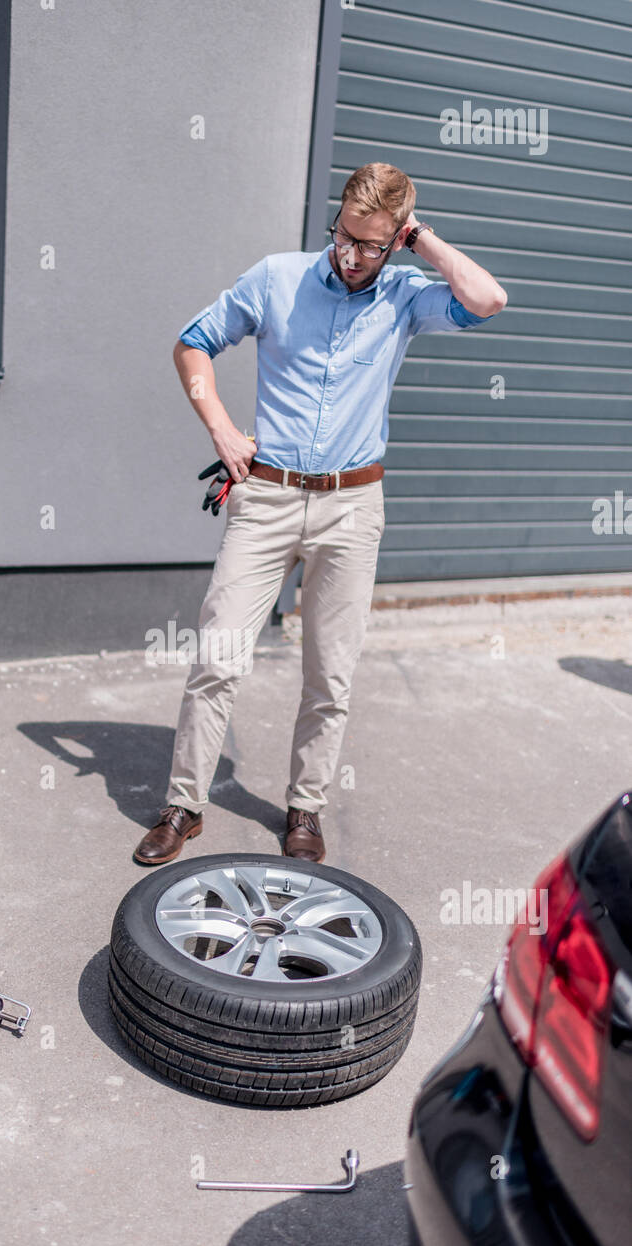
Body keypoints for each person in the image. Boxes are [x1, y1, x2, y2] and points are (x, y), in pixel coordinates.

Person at [134, 162, 507, 867]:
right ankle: (184, 805)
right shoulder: (276, 277)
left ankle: (304, 807)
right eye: (344, 235)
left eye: (370, 243)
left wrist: (419, 241)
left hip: (352, 508)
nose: (351, 254)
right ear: (333, 221)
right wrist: (219, 426)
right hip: (267, 498)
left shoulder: (405, 293)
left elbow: (487, 299)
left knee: (329, 674)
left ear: (394, 239)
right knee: (218, 656)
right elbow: (193, 341)